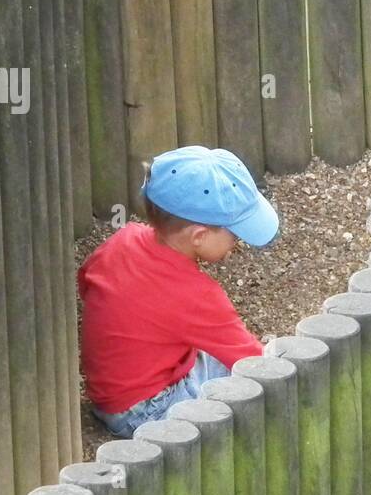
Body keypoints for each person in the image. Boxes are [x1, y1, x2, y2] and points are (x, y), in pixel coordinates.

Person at [79, 145, 278, 438]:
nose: (237, 244)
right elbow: (252, 362)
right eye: (235, 236)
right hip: (148, 410)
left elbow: (86, 282)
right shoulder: (196, 296)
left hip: (107, 394)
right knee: (253, 394)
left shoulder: (124, 238)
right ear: (199, 236)